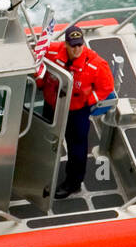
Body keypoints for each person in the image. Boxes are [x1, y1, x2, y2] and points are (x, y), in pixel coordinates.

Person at [40, 26, 115, 198]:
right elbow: (37, 54)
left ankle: (73, 183)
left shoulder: (96, 65)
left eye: (79, 45)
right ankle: (39, 171)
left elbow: (106, 88)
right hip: (52, 104)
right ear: (65, 44)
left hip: (76, 112)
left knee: (77, 147)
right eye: (73, 45)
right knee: (43, 137)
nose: (77, 49)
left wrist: (88, 100)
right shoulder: (52, 52)